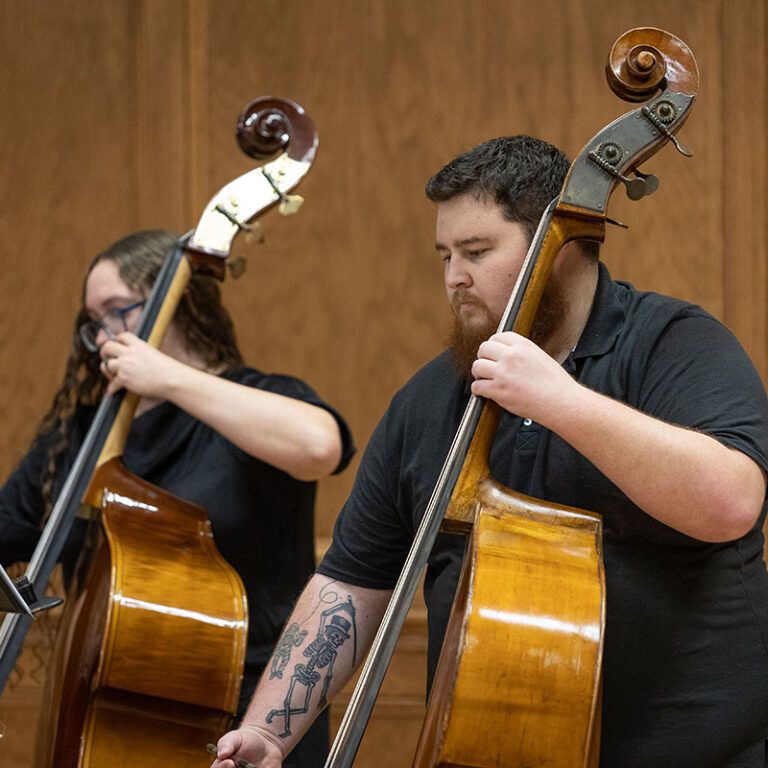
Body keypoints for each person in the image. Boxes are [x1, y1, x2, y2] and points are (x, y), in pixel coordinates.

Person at [211, 136, 768, 768]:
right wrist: (269, 732)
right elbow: (350, 583)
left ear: (558, 247)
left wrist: (561, 401)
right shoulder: (429, 399)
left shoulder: (674, 344)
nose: (454, 277)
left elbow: (730, 502)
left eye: (476, 251)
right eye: (445, 255)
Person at [0, 229, 355, 768]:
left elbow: (320, 446)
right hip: (111, 717)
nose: (103, 338)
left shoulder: (255, 401)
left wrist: (169, 379)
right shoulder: (77, 438)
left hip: (250, 716)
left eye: (119, 312)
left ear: (179, 303)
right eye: (93, 323)